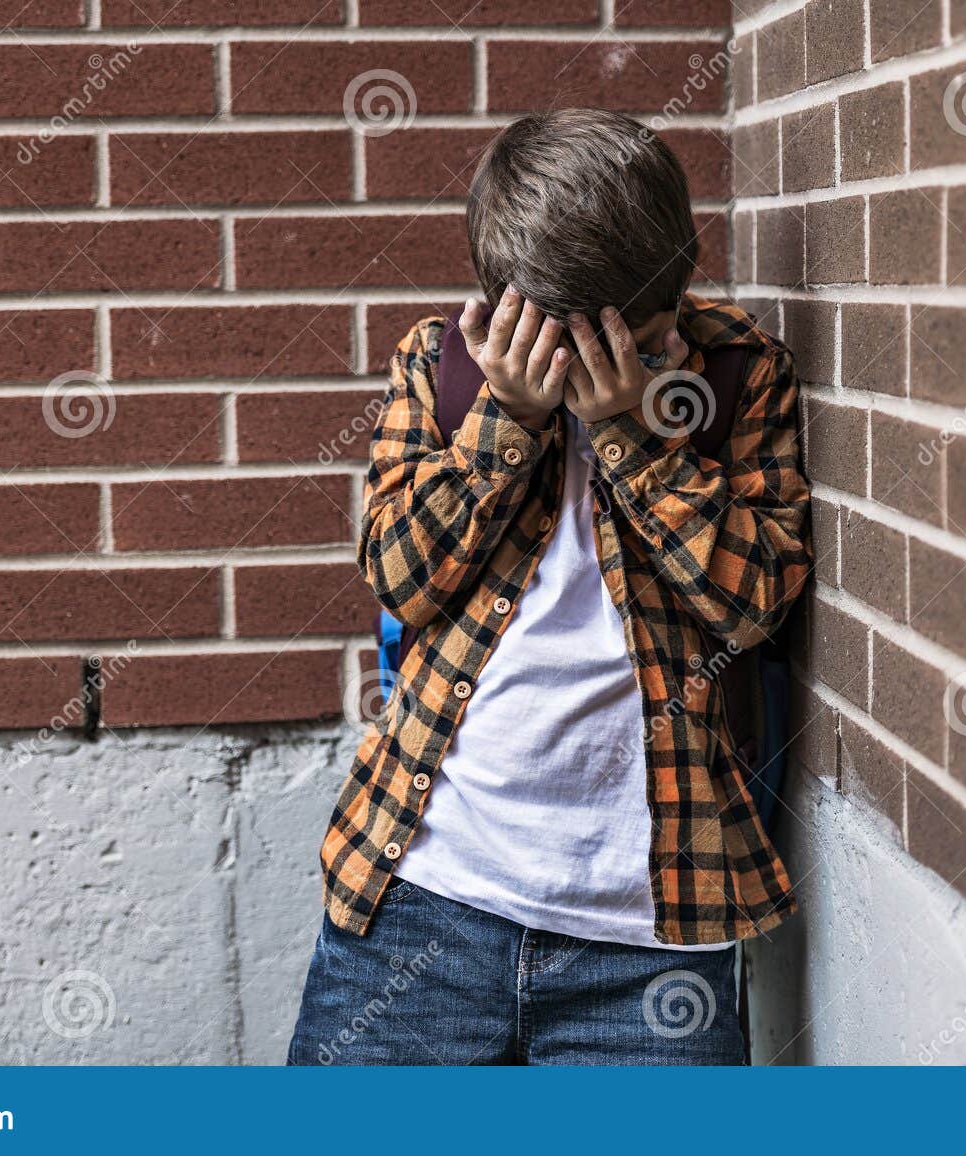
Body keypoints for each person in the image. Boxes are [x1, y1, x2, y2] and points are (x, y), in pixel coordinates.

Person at [288, 108, 812, 1065]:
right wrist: (509, 419)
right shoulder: (440, 367)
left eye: (642, 341)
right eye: (568, 347)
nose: (607, 368)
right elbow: (400, 577)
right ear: (507, 309)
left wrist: (629, 436)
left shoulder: (739, 372)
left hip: (654, 943)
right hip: (422, 907)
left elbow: (754, 600)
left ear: (682, 284)